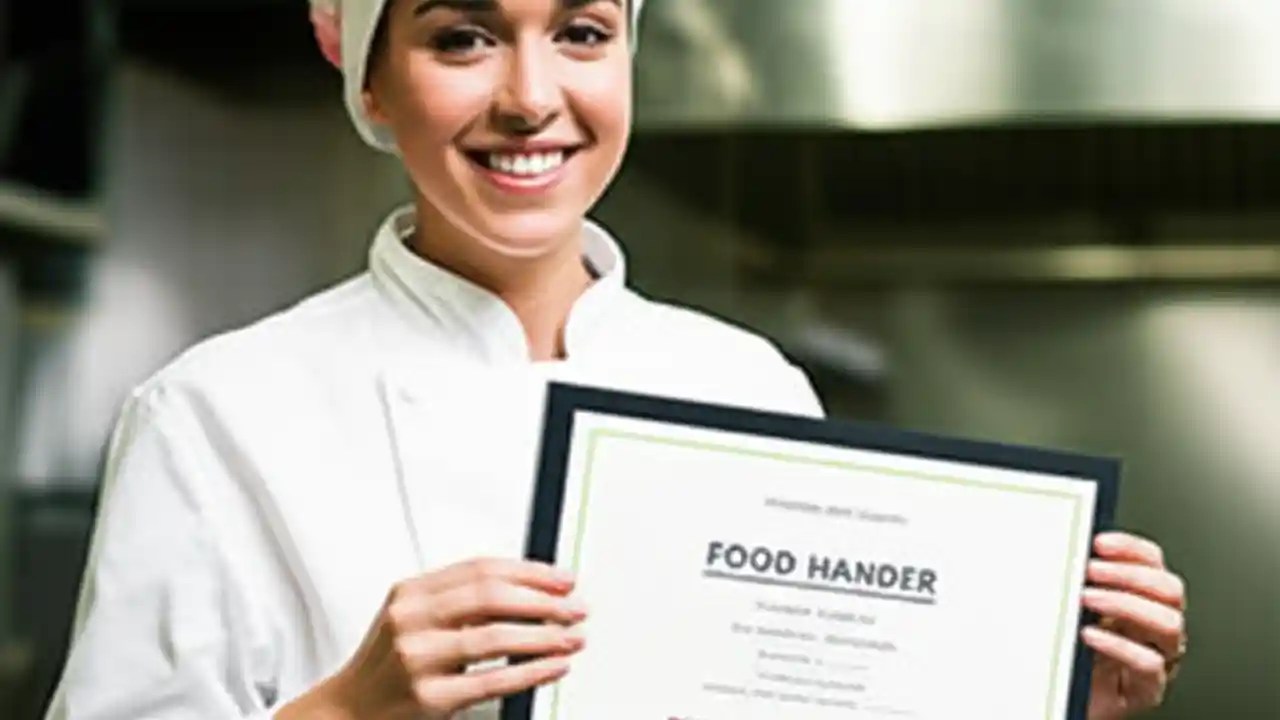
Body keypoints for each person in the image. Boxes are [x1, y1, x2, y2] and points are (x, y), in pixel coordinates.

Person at [42, 1, 1188, 718]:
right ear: (372, 79)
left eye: (581, 33)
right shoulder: (216, 413)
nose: (532, 98)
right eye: (461, 36)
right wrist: (350, 714)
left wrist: (1038, 694)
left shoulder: (749, 387)